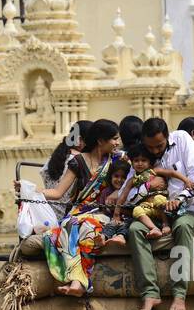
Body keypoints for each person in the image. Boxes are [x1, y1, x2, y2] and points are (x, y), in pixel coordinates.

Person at [26, 119, 123, 297]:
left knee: (83, 227)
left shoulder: (119, 160)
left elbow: (135, 180)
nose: (118, 143)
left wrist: (118, 193)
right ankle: (78, 281)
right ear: (101, 140)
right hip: (78, 213)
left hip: (103, 214)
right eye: (114, 139)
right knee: (67, 227)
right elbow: (57, 192)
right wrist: (29, 191)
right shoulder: (77, 162)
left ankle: (78, 281)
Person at [129, 128, 194, 310]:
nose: (154, 151)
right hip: (152, 212)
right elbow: (128, 190)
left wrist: (179, 199)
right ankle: (150, 293)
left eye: (159, 146)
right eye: (150, 147)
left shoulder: (182, 140)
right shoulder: (141, 157)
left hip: (186, 208)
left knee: (183, 226)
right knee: (134, 229)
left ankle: (179, 293)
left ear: (166, 138)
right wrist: (147, 187)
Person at [41, 119, 92, 220]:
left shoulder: (56, 155)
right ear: (79, 140)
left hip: (47, 210)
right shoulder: (79, 160)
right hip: (68, 215)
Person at [98, 158, 133, 246]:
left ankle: (120, 237)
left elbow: (134, 212)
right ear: (111, 177)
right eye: (116, 176)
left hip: (127, 220)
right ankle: (102, 238)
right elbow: (102, 210)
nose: (119, 180)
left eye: (124, 177)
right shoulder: (106, 192)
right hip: (111, 220)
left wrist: (116, 209)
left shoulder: (131, 192)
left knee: (126, 224)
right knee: (110, 225)